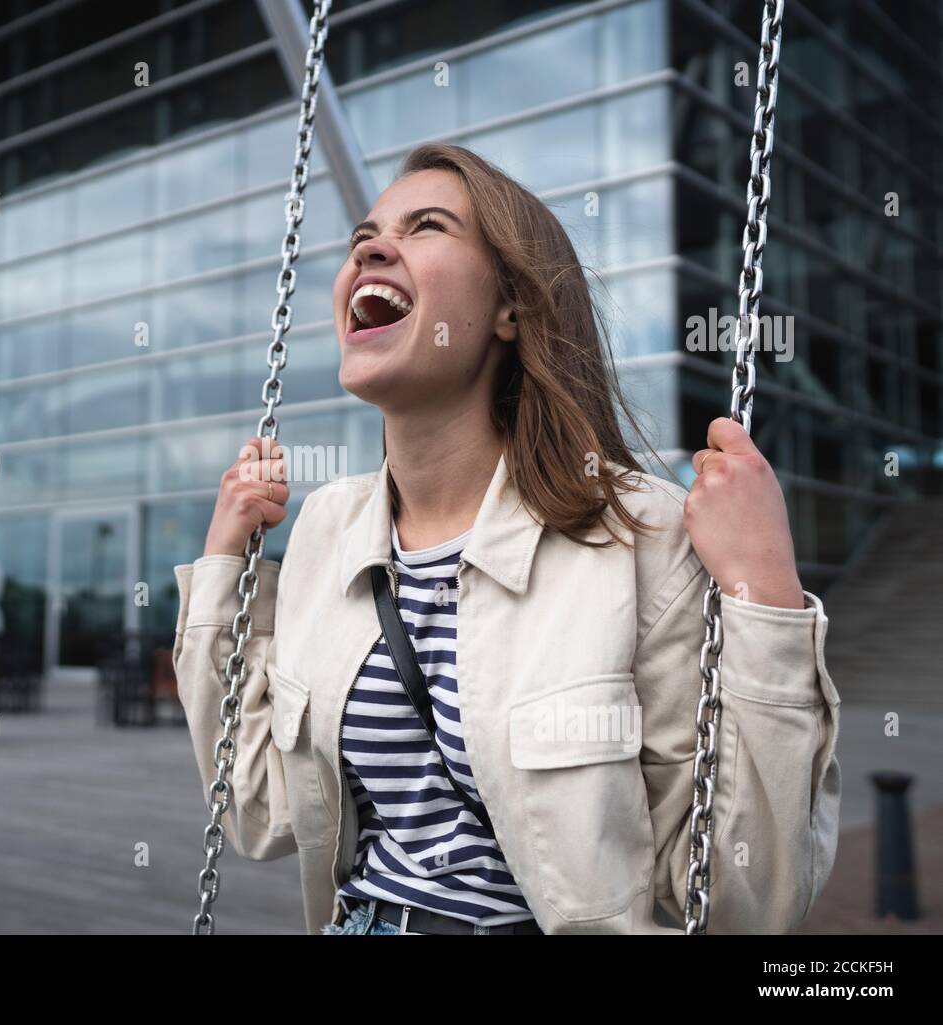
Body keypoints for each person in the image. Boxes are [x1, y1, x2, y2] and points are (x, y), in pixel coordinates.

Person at [172, 142, 841, 935]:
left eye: (427, 227)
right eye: (363, 236)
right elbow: (255, 806)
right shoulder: (327, 528)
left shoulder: (639, 535)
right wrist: (223, 563)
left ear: (510, 308)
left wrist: (765, 589)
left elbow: (742, 902)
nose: (371, 248)